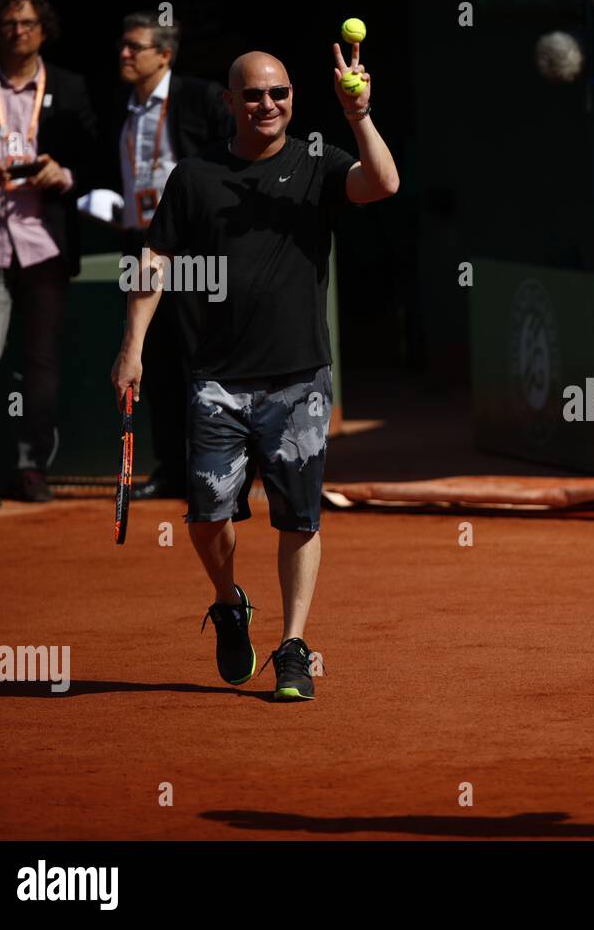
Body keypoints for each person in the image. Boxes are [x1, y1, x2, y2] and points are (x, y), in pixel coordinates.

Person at [110, 44, 399, 699]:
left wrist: (359, 113)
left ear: (293, 97)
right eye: (253, 95)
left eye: (280, 93)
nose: (267, 105)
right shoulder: (195, 176)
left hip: (300, 380)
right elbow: (154, 260)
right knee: (209, 517)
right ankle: (229, 602)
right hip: (215, 378)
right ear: (229, 103)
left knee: (299, 517)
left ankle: (293, 644)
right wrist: (133, 345)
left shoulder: (318, 162)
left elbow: (382, 185)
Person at [0, 0, 96, 507]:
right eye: (8, 24)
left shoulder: (69, 88)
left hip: (44, 243)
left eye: (27, 23)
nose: (17, 31)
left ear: (44, 29)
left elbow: (98, 159)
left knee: (40, 362)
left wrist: (60, 172)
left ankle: (30, 469)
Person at [114, 11, 232, 500]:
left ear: (165, 54)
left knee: (192, 354)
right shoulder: (124, 107)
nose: (123, 54)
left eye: (134, 47)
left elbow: (232, 154)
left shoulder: (200, 97)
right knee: (152, 356)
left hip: (188, 246)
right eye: (122, 45)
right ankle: (170, 469)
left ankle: (210, 467)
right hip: (138, 242)